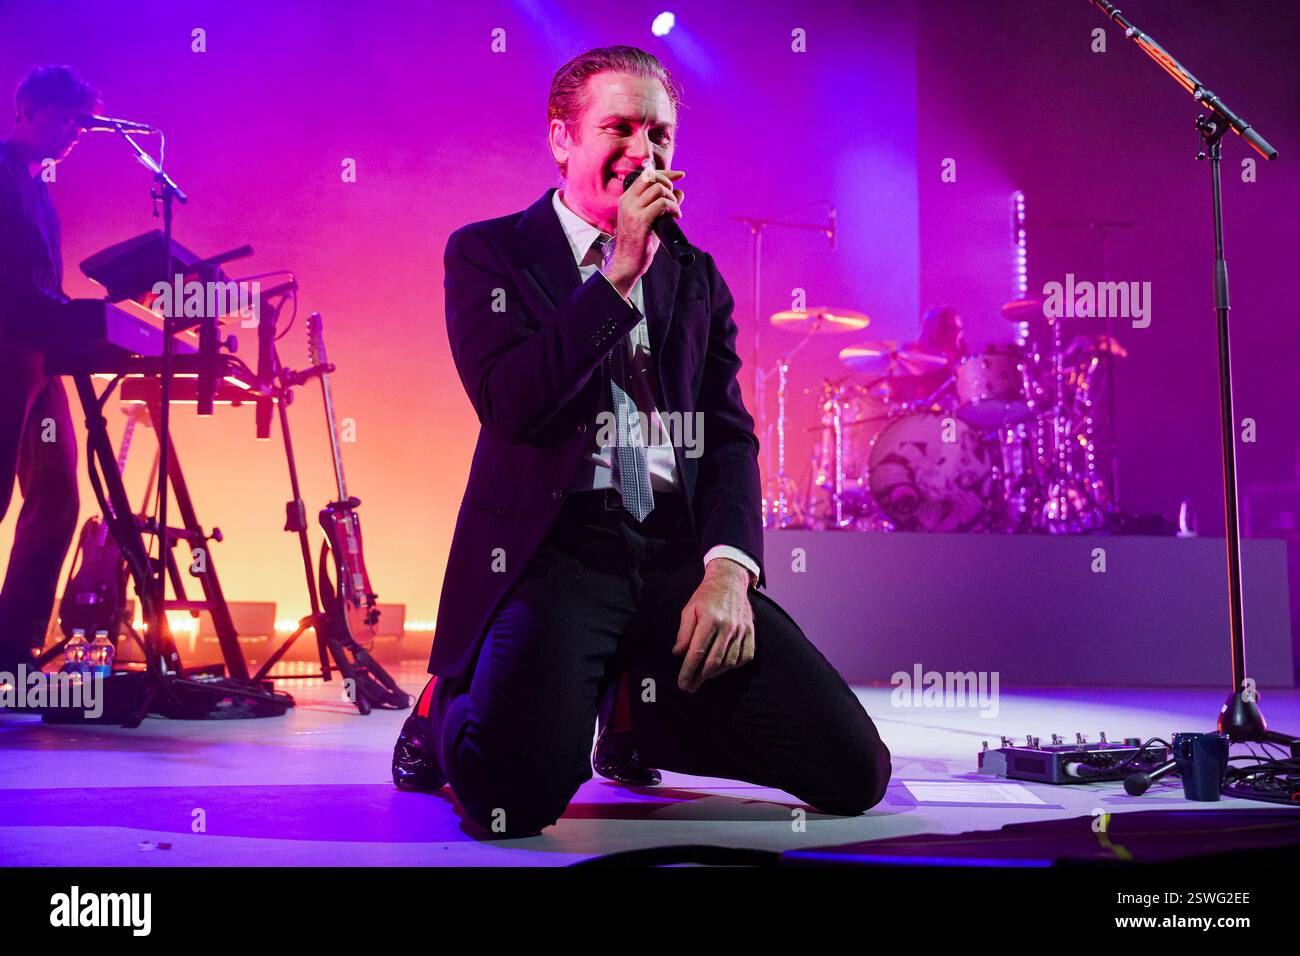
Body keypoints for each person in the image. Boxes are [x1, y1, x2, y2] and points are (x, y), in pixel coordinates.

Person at [393, 46, 891, 836]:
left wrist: (730, 569)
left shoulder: (693, 274)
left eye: (658, 136)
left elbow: (727, 436)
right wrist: (616, 276)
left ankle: (633, 711)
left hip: (669, 552)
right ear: (562, 140)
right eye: (618, 129)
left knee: (852, 773)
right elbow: (511, 404)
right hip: (557, 551)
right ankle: (443, 703)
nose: (641, 153)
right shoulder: (489, 252)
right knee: (508, 803)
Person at [0, 66, 98, 677]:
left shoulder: (40, 190)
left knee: (58, 496)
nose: (75, 132)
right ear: (29, 108)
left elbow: (43, 281)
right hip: (7, 348)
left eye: (81, 124)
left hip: (42, 356)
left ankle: (11, 650)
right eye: (67, 117)